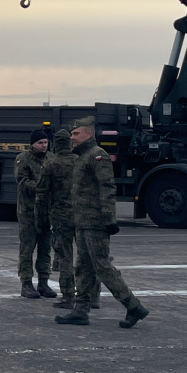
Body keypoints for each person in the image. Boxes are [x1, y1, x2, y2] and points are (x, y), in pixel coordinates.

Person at [55, 117, 150, 328]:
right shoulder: (82, 156)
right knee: (83, 268)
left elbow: (107, 187)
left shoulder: (98, 156)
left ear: (88, 134)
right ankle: (80, 310)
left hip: (95, 223)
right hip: (82, 222)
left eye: (76, 134)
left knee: (102, 267)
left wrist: (108, 219)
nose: (72, 138)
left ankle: (133, 306)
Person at [13, 128, 56, 299]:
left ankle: (44, 282)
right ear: (33, 144)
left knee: (45, 250)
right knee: (27, 249)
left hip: (47, 212)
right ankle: (26, 283)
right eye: (40, 143)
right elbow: (22, 181)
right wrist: (41, 187)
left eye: (46, 142)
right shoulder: (23, 159)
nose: (44, 145)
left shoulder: (51, 159)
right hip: (29, 212)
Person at [38, 129, 78, 309]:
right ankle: (91, 295)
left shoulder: (51, 163)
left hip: (61, 216)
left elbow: (42, 194)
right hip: (81, 214)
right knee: (86, 256)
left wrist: (40, 217)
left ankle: (68, 295)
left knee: (64, 256)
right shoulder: (80, 161)